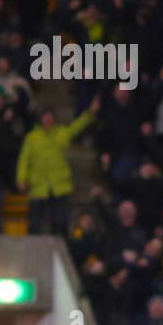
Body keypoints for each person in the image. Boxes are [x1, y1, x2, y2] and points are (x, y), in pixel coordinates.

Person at [15, 99, 100, 236]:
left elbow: (76, 127)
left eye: (50, 117)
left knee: (60, 223)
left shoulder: (62, 134)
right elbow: (24, 160)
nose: (48, 120)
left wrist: (89, 113)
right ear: (40, 119)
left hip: (59, 186)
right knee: (34, 223)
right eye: (45, 117)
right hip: (38, 186)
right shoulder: (32, 138)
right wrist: (21, 179)